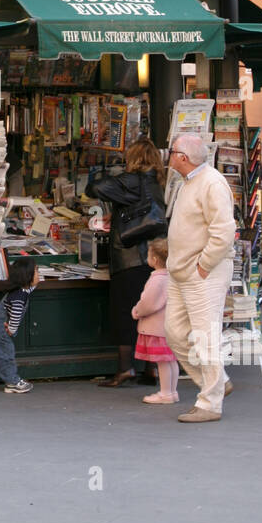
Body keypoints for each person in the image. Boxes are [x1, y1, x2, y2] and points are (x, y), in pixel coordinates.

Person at [164, 133, 237, 423]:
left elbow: (224, 230)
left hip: (200, 272)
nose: (168, 155)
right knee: (174, 332)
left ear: (183, 157)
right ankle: (216, 382)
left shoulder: (212, 182)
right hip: (182, 270)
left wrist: (204, 265)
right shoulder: (190, 181)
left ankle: (210, 403)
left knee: (206, 337)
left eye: (171, 151)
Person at [90, 137, 167, 388]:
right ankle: (152, 368)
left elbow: (95, 188)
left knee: (124, 313)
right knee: (151, 313)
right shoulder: (158, 182)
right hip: (153, 255)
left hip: (130, 257)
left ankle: (125, 368)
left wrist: (118, 178)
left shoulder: (132, 180)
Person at [132, 237, 179, 405]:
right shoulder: (171, 277)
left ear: (155, 259)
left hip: (157, 327)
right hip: (169, 326)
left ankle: (165, 393)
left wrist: (137, 311)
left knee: (163, 361)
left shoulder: (157, 280)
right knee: (171, 360)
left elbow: (149, 303)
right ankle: (172, 391)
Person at [0, 258, 40, 394]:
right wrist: (11, 330)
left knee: (6, 351)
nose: (39, 274)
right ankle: (12, 381)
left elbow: (31, 288)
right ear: (27, 276)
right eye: (36, 271)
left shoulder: (22, 290)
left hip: (1, 326)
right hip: (1, 327)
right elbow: (15, 317)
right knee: (6, 353)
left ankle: (12, 380)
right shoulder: (19, 296)